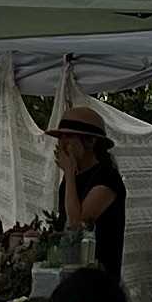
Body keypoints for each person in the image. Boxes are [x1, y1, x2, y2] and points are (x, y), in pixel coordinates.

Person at [50, 109, 129, 280]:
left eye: (68, 136)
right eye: (60, 136)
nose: (62, 143)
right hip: (73, 274)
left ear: (91, 141)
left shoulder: (107, 177)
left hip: (98, 279)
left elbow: (77, 226)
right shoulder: (72, 177)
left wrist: (69, 171)